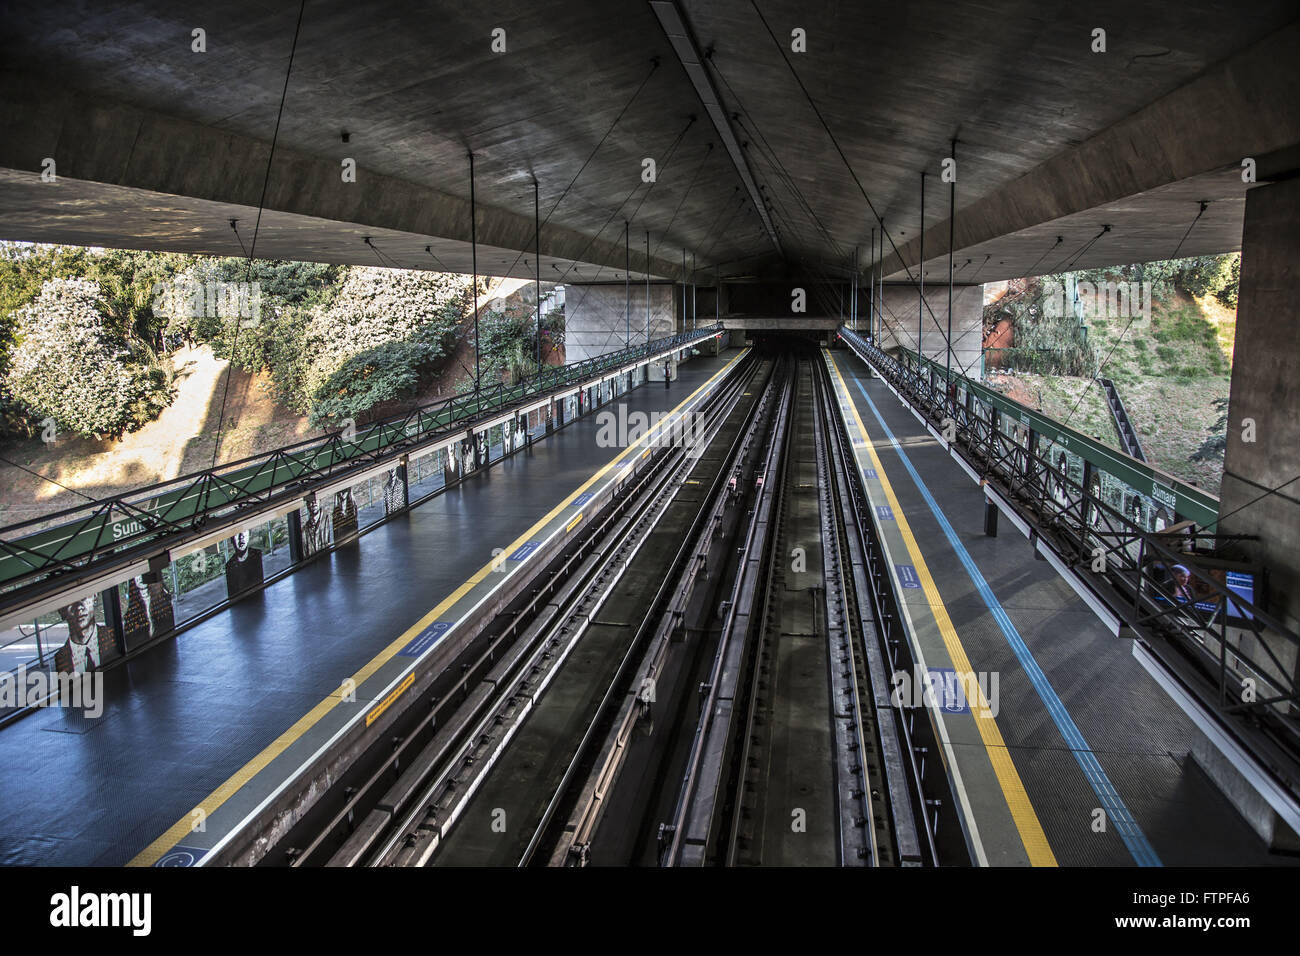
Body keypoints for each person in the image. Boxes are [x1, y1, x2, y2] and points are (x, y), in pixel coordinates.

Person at [54, 595, 115, 674]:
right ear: (61, 611)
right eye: (70, 601)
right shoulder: (60, 659)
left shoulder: (114, 636)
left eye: (84, 597)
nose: (79, 607)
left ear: (95, 597)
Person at [225, 529, 265, 597]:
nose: (241, 537)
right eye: (237, 534)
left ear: (249, 535)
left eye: (244, 533)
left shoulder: (256, 555)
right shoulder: (230, 565)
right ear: (232, 539)